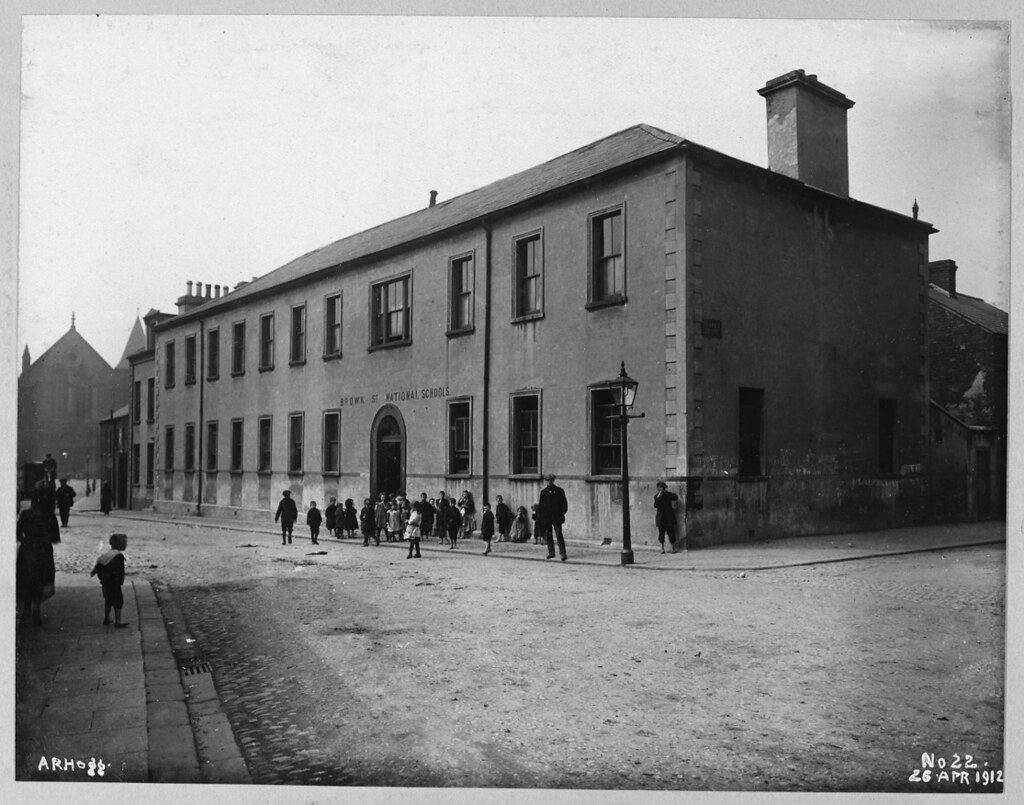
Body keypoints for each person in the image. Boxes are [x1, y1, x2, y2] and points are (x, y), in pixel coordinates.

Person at [16, 485, 61, 626]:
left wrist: (27, 541)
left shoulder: (25, 515)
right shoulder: (50, 517)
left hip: (27, 551)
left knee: (25, 579)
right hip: (43, 552)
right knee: (41, 579)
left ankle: (26, 609)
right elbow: (55, 538)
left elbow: (18, 534)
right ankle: (36, 609)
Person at [90, 533, 129, 627]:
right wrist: (120, 580)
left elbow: (98, 565)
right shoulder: (118, 556)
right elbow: (119, 570)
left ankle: (106, 618)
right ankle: (118, 621)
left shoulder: (106, 555)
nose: (126, 544)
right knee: (118, 601)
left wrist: (94, 572)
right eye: (124, 543)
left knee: (108, 601)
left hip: (105, 583)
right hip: (114, 583)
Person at [537, 473, 569, 561]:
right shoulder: (543, 492)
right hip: (547, 518)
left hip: (556, 517)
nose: (549, 482)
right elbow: (541, 506)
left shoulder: (559, 491)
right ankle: (551, 552)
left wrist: (560, 513)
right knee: (549, 535)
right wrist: (542, 516)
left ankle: (563, 553)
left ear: (553, 480)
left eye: (551, 480)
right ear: (546, 481)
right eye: (547, 480)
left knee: (559, 534)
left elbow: (564, 504)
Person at [654, 481, 681, 553]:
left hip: (669, 517)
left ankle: (672, 548)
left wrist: (667, 493)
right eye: (659, 488)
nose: (659, 489)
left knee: (671, 533)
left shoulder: (668, 495)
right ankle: (662, 548)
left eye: (661, 488)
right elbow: (655, 505)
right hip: (661, 518)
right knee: (661, 534)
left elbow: (675, 497)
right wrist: (659, 496)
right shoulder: (656, 496)